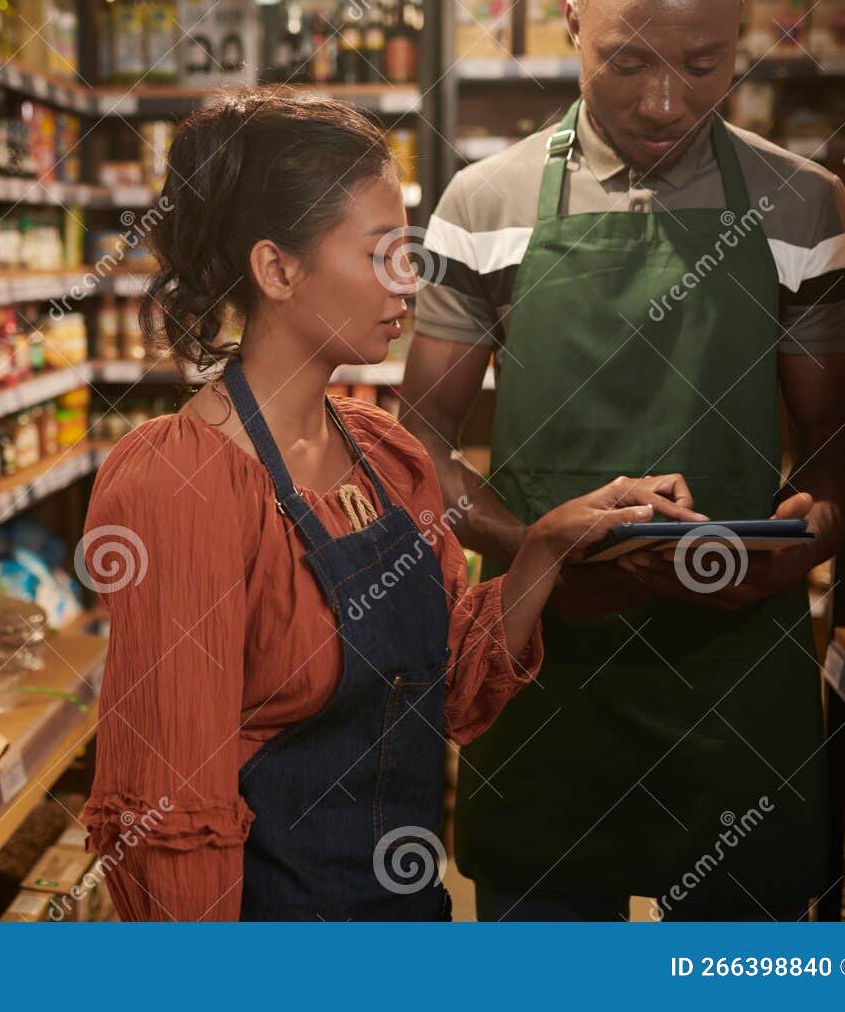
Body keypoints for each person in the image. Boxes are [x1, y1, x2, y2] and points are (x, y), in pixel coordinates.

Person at [80, 90, 704, 921]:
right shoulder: (183, 486)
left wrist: (547, 545)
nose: (408, 278)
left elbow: (447, 686)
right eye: (380, 253)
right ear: (278, 269)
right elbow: (171, 816)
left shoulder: (383, 455)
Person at [400, 0, 845, 921]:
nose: (663, 101)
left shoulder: (802, 207)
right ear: (570, 21)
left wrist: (789, 548)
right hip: (543, 677)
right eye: (626, 61)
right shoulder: (485, 206)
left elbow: (835, 472)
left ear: (740, 38)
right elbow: (415, 450)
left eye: (702, 65)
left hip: (732, 679)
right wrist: (543, 556)